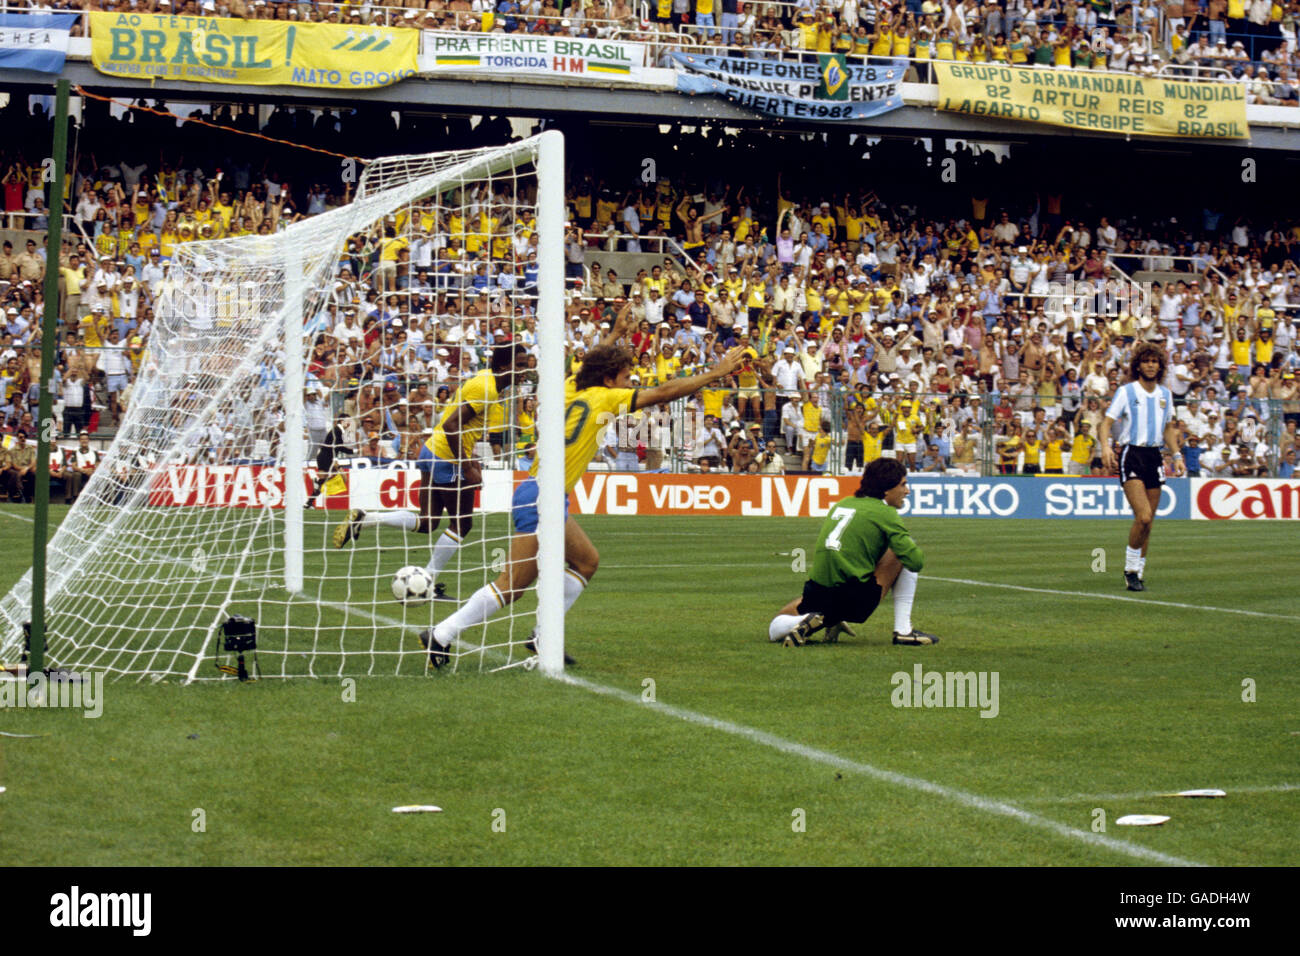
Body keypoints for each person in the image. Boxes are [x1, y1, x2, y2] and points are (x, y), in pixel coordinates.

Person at [419, 316, 746, 668]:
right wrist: (715, 373)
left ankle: (544, 636)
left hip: (543, 493)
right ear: (609, 380)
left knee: (586, 561)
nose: (627, 384)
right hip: (540, 496)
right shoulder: (605, 399)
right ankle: (442, 634)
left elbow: (592, 362)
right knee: (512, 585)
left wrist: (616, 334)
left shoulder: (572, 387)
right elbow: (665, 392)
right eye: (624, 378)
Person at [332, 343, 529, 603]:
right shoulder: (487, 389)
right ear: (505, 366)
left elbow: (461, 426)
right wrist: (466, 465)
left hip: (431, 451)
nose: (526, 370)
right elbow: (451, 424)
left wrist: (471, 457)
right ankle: (429, 581)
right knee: (462, 524)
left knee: (428, 522)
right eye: (522, 365)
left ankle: (365, 519)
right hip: (446, 458)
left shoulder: (487, 382)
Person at [767, 457, 939, 648]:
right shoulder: (886, 514)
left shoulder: (843, 503)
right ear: (887, 488)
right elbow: (915, 562)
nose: (907, 490)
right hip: (855, 599)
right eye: (903, 485)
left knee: (777, 624)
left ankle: (813, 619)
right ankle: (903, 631)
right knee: (903, 550)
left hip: (817, 590)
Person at [1099, 343, 1184, 592]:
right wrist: (1105, 447)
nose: (1150, 365)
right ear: (1138, 365)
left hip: (1154, 456)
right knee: (1143, 515)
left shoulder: (1165, 395)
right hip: (1132, 454)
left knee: (1149, 522)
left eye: (1154, 361)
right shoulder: (1127, 392)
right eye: (1146, 361)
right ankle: (1129, 569)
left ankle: (1138, 570)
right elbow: (1105, 424)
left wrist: (1176, 454)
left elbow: (1168, 428)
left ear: (1160, 366)